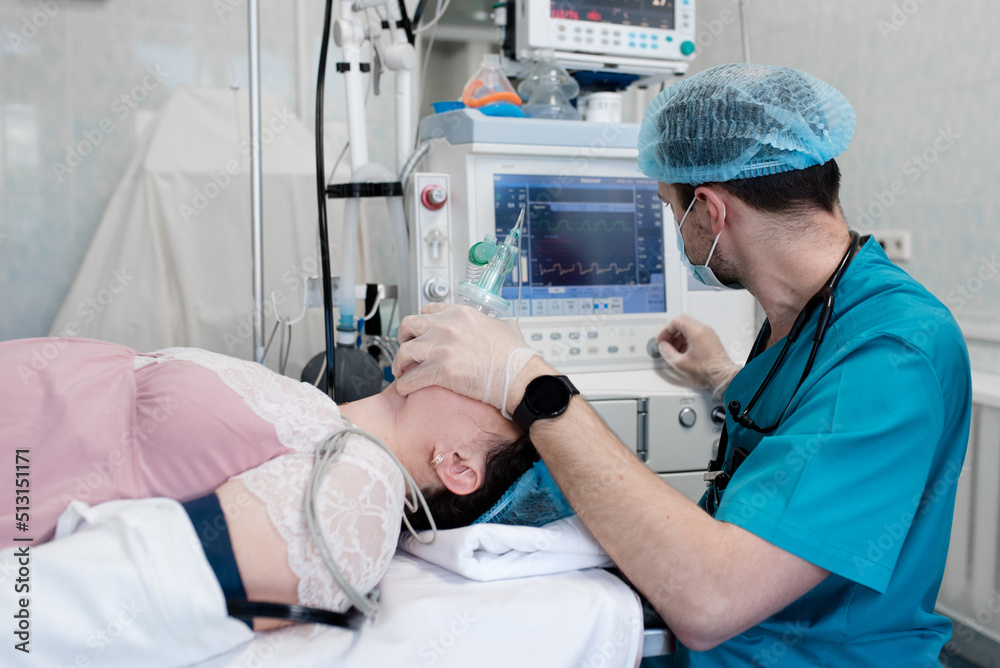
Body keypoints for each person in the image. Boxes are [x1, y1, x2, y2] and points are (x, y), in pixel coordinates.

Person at [390, 64, 972, 666]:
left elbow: (711, 601)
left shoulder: (894, 354)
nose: (677, 232)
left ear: (711, 211)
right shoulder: (811, 307)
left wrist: (529, 383)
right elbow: (808, 429)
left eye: (671, 211)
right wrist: (721, 378)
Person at [0, 337, 535, 653]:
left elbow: (68, 604)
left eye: (500, 387)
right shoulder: (319, 414)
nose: (478, 355)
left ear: (461, 466)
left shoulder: (358, 493)